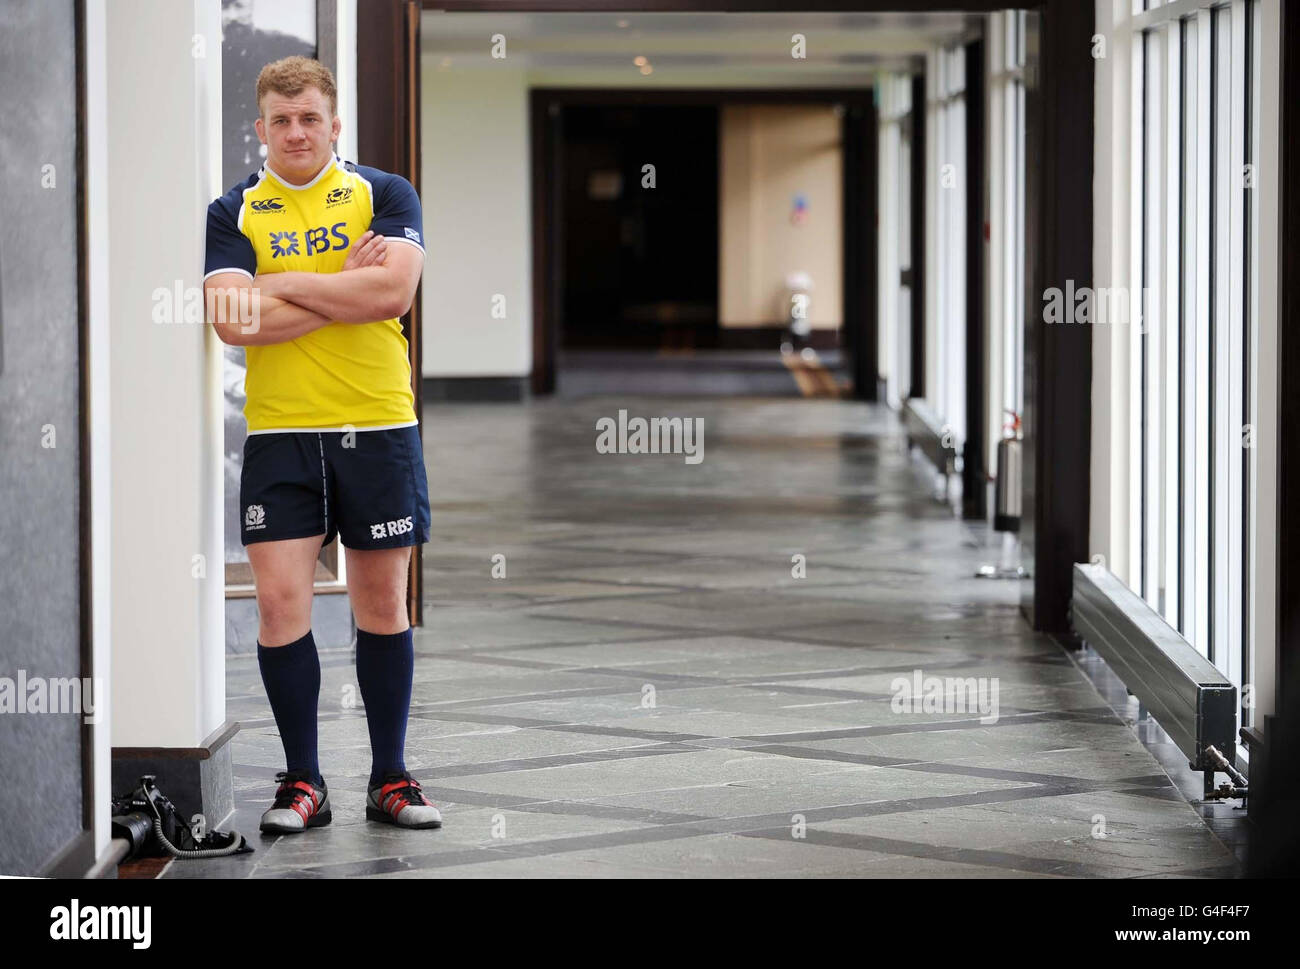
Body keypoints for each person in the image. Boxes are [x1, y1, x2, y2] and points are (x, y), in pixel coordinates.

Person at [203, 56, 440, 833]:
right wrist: (340, 283)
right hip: (280, 433)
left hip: (377, 424)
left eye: (310, 117)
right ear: (262, 127)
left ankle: (391, 777)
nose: (296, 130)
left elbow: (393, 292)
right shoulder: (232, 210)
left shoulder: (385, 193)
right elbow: (233, 320)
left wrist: (279, 284)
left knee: (381, 602)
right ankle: (303, 780)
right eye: (281, 119)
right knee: (280, 605)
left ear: (334, 124)